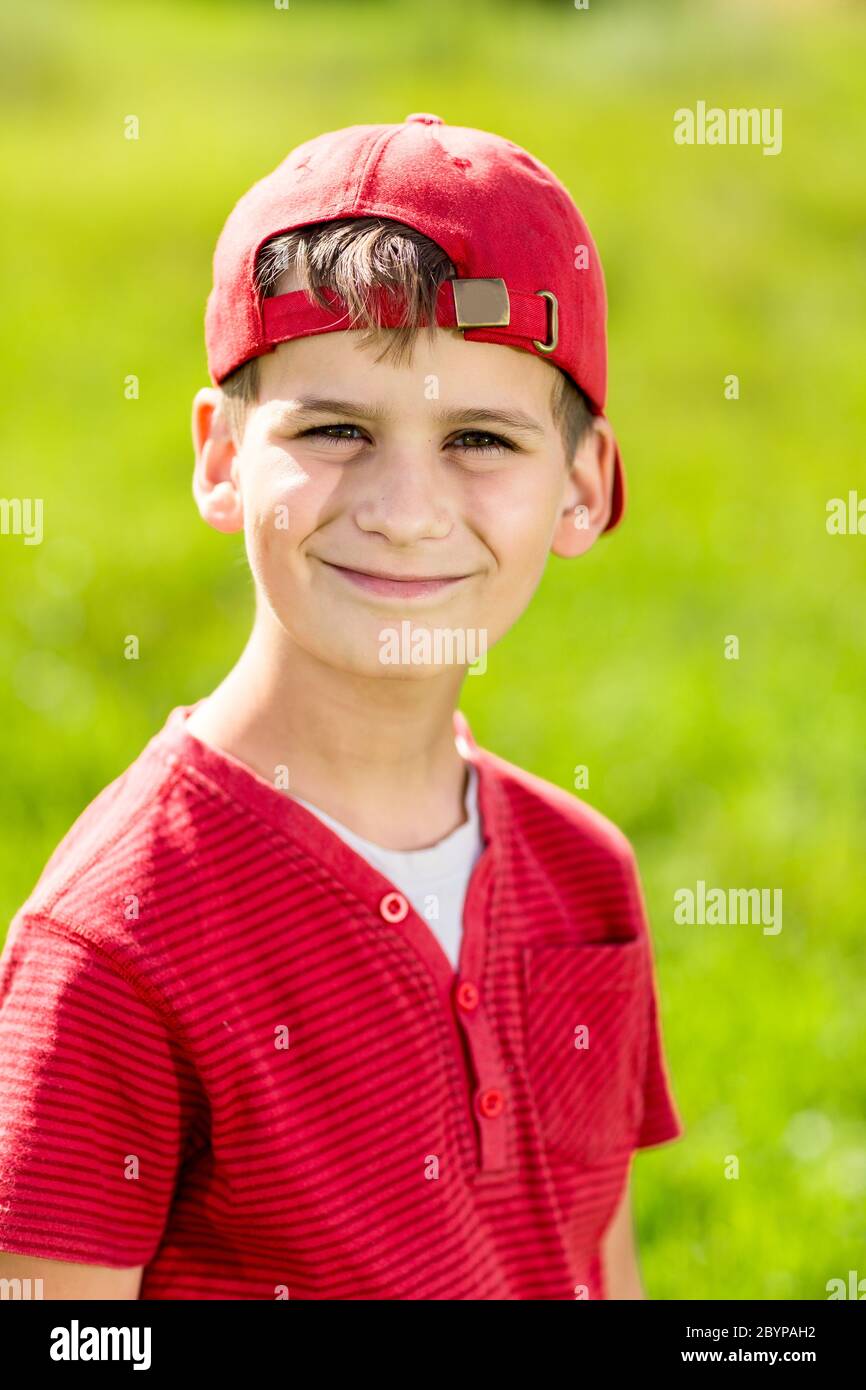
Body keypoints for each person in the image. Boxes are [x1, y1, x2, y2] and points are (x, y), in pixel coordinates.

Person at [0, 114, 683, 1300]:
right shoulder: (114, 944)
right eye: (335, 431)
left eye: (479, 437)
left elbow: (594, 1267)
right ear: (220, 458)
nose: (404, 507)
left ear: (582, 488)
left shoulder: (585, 877)